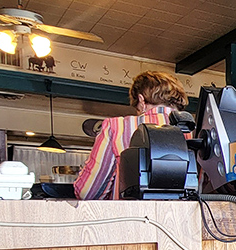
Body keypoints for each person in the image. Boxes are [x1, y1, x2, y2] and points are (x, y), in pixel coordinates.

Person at [74, 71, 188, 200]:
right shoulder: (194, 131)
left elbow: (88, 192)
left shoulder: (116, 127)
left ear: (141, 99)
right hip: (186, 218)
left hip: (131, 217)